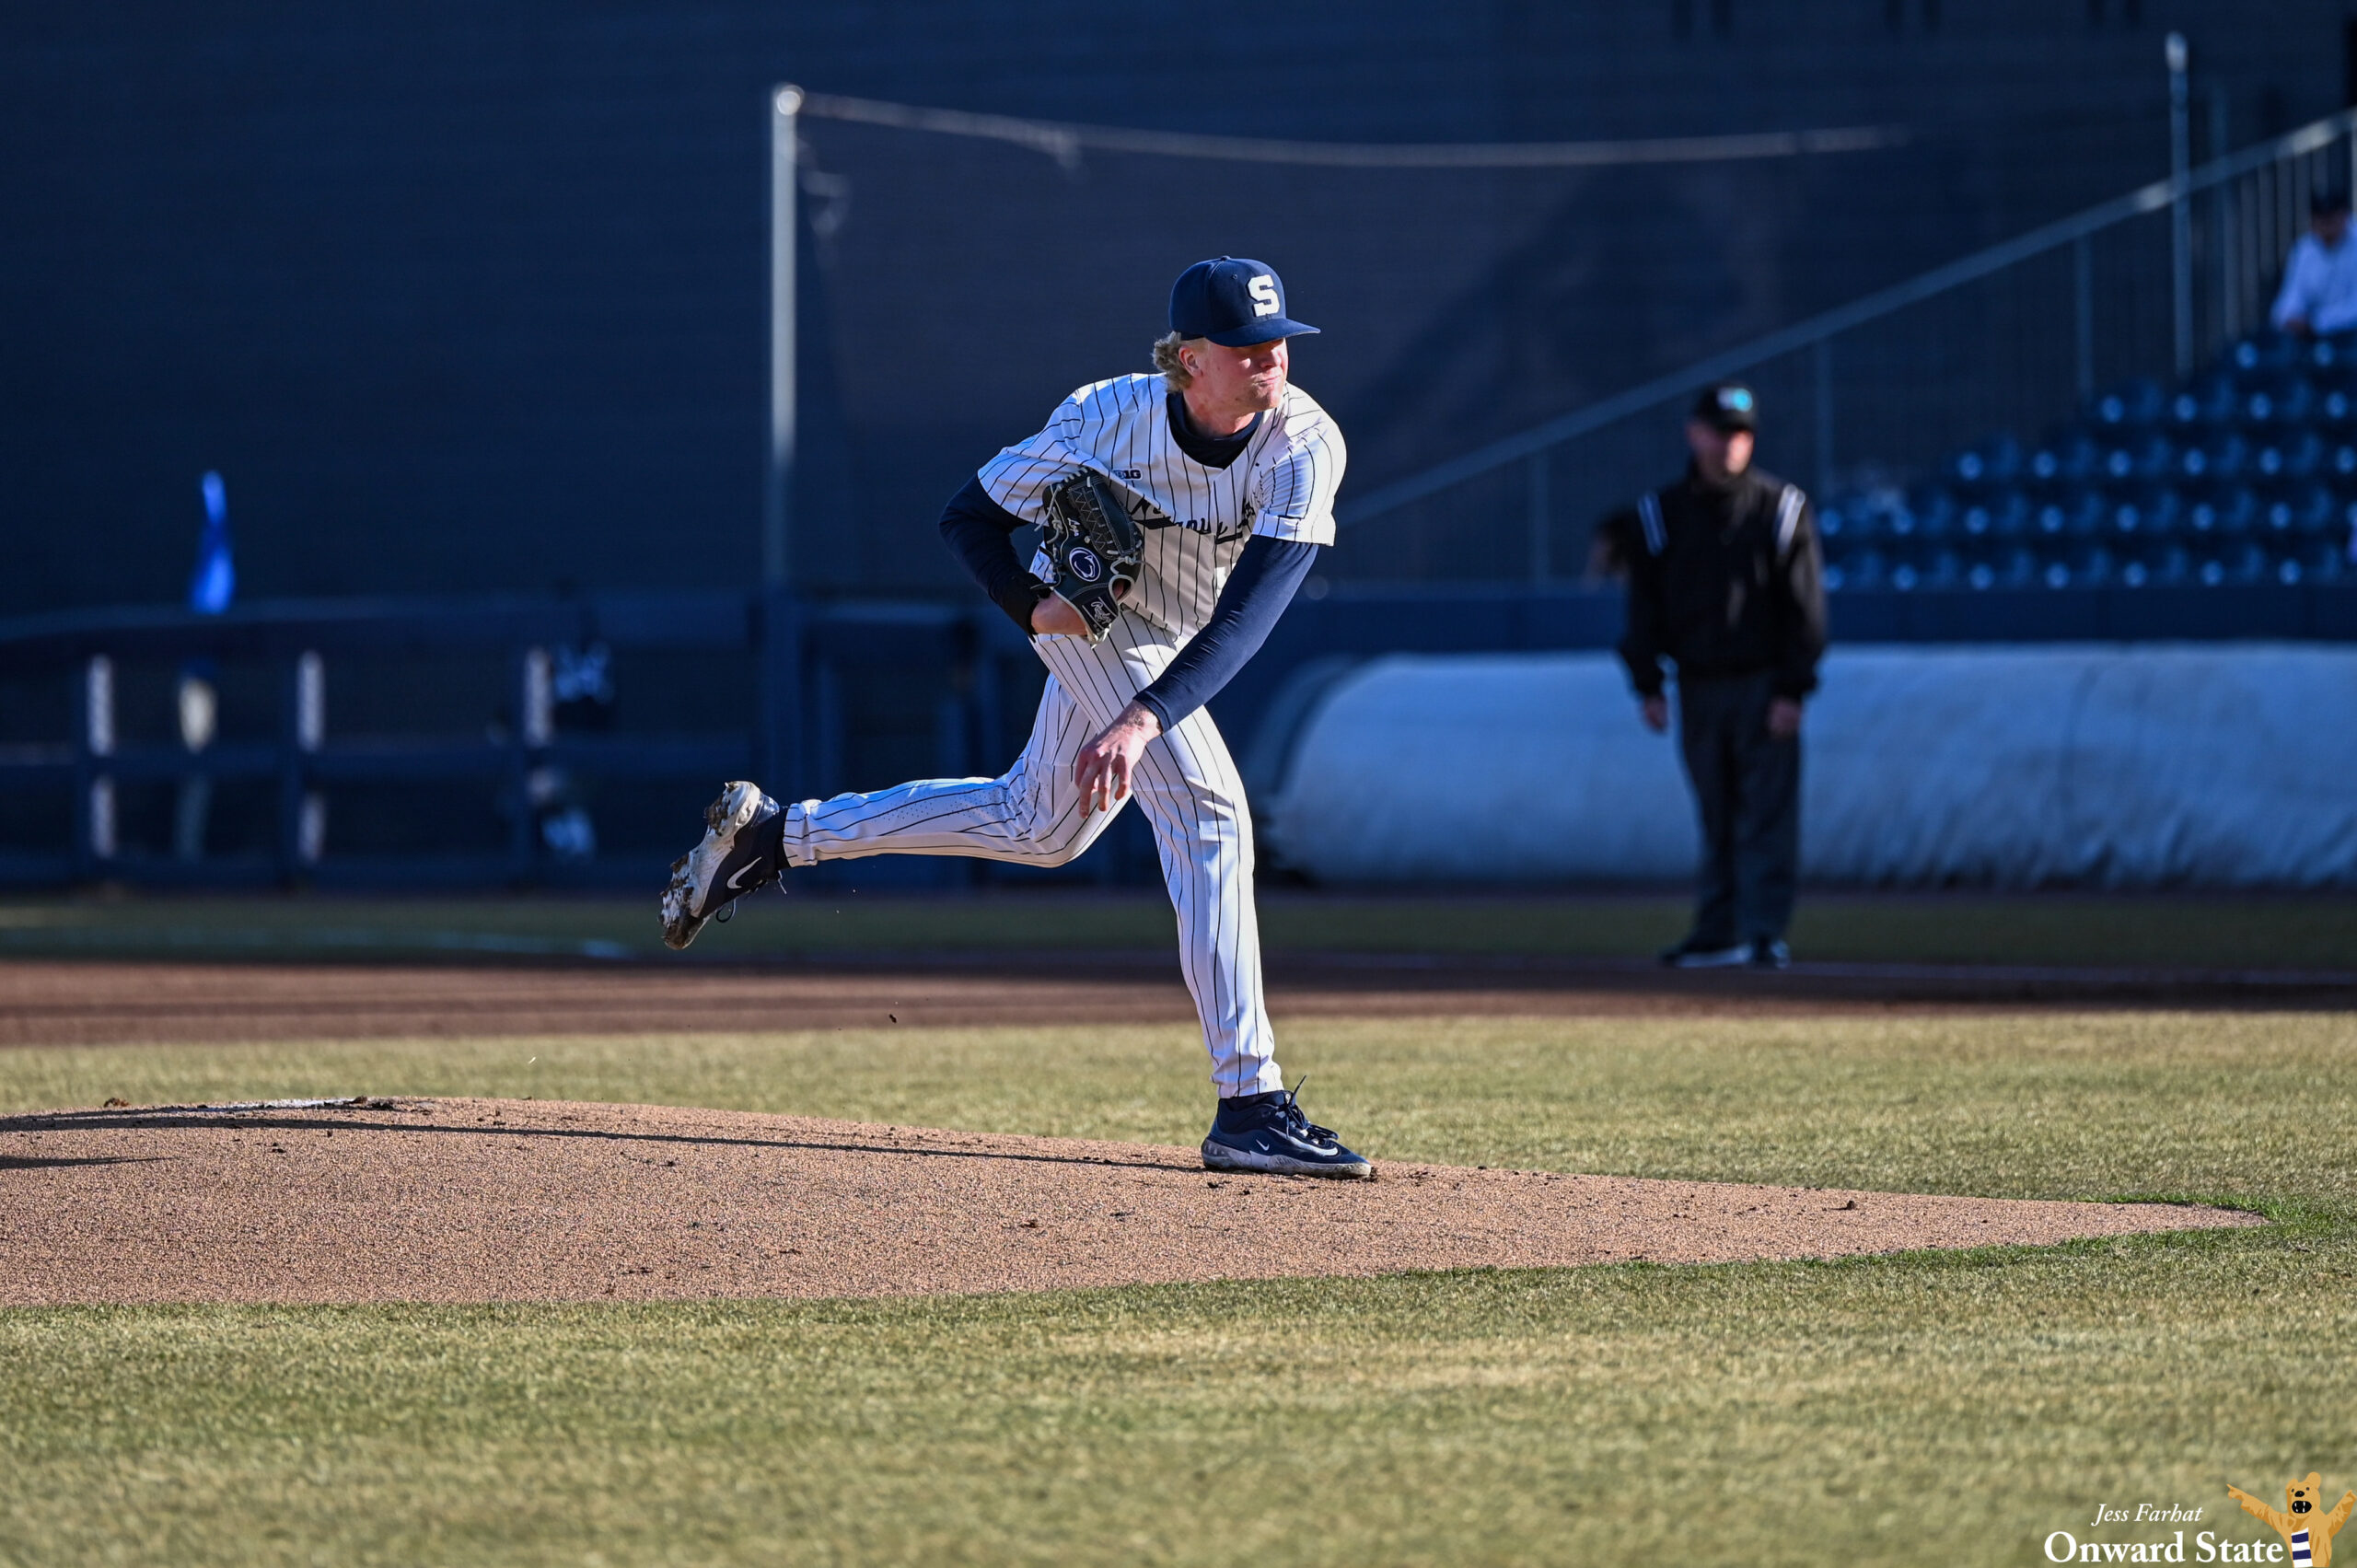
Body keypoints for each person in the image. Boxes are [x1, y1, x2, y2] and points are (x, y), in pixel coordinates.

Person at [659, 257, 1371, 1179]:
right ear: (1188, 358)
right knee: (1208, 813)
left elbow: (1249, 616)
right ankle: (1249, 1102)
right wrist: (1029, 607)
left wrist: (1144, 715)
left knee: (1037, 827)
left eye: (1278, 341)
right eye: (1244, 346)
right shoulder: (1102, 421)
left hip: (1180, 641)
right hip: (1096, 621)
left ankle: (776, 835)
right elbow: (969, 516)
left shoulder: (1305, 444)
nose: (1269, 358)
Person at [1604, 382, 1827, 970]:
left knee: (1767, 813)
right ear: (1695, 433)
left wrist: (1792, 688)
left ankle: (1762, 932)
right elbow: (1644, 607)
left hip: (1762, 681)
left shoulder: (1782, 509)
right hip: (1698, 684)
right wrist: (1648, 683)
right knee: (1716, 811)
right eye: (1722, 431)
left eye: (1742, 434)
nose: (1731, 445)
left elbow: (1805, 609)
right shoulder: (1660, 514)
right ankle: (1718, 928)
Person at [2270, 189, 2357, 338]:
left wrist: (2318, 322)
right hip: (2312, 338)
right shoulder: (2305, 249)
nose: (2326, 225)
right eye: (2321, 218)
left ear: (2344, 216)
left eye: (2331, 218)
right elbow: (2291, 297)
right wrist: (2289, 316)